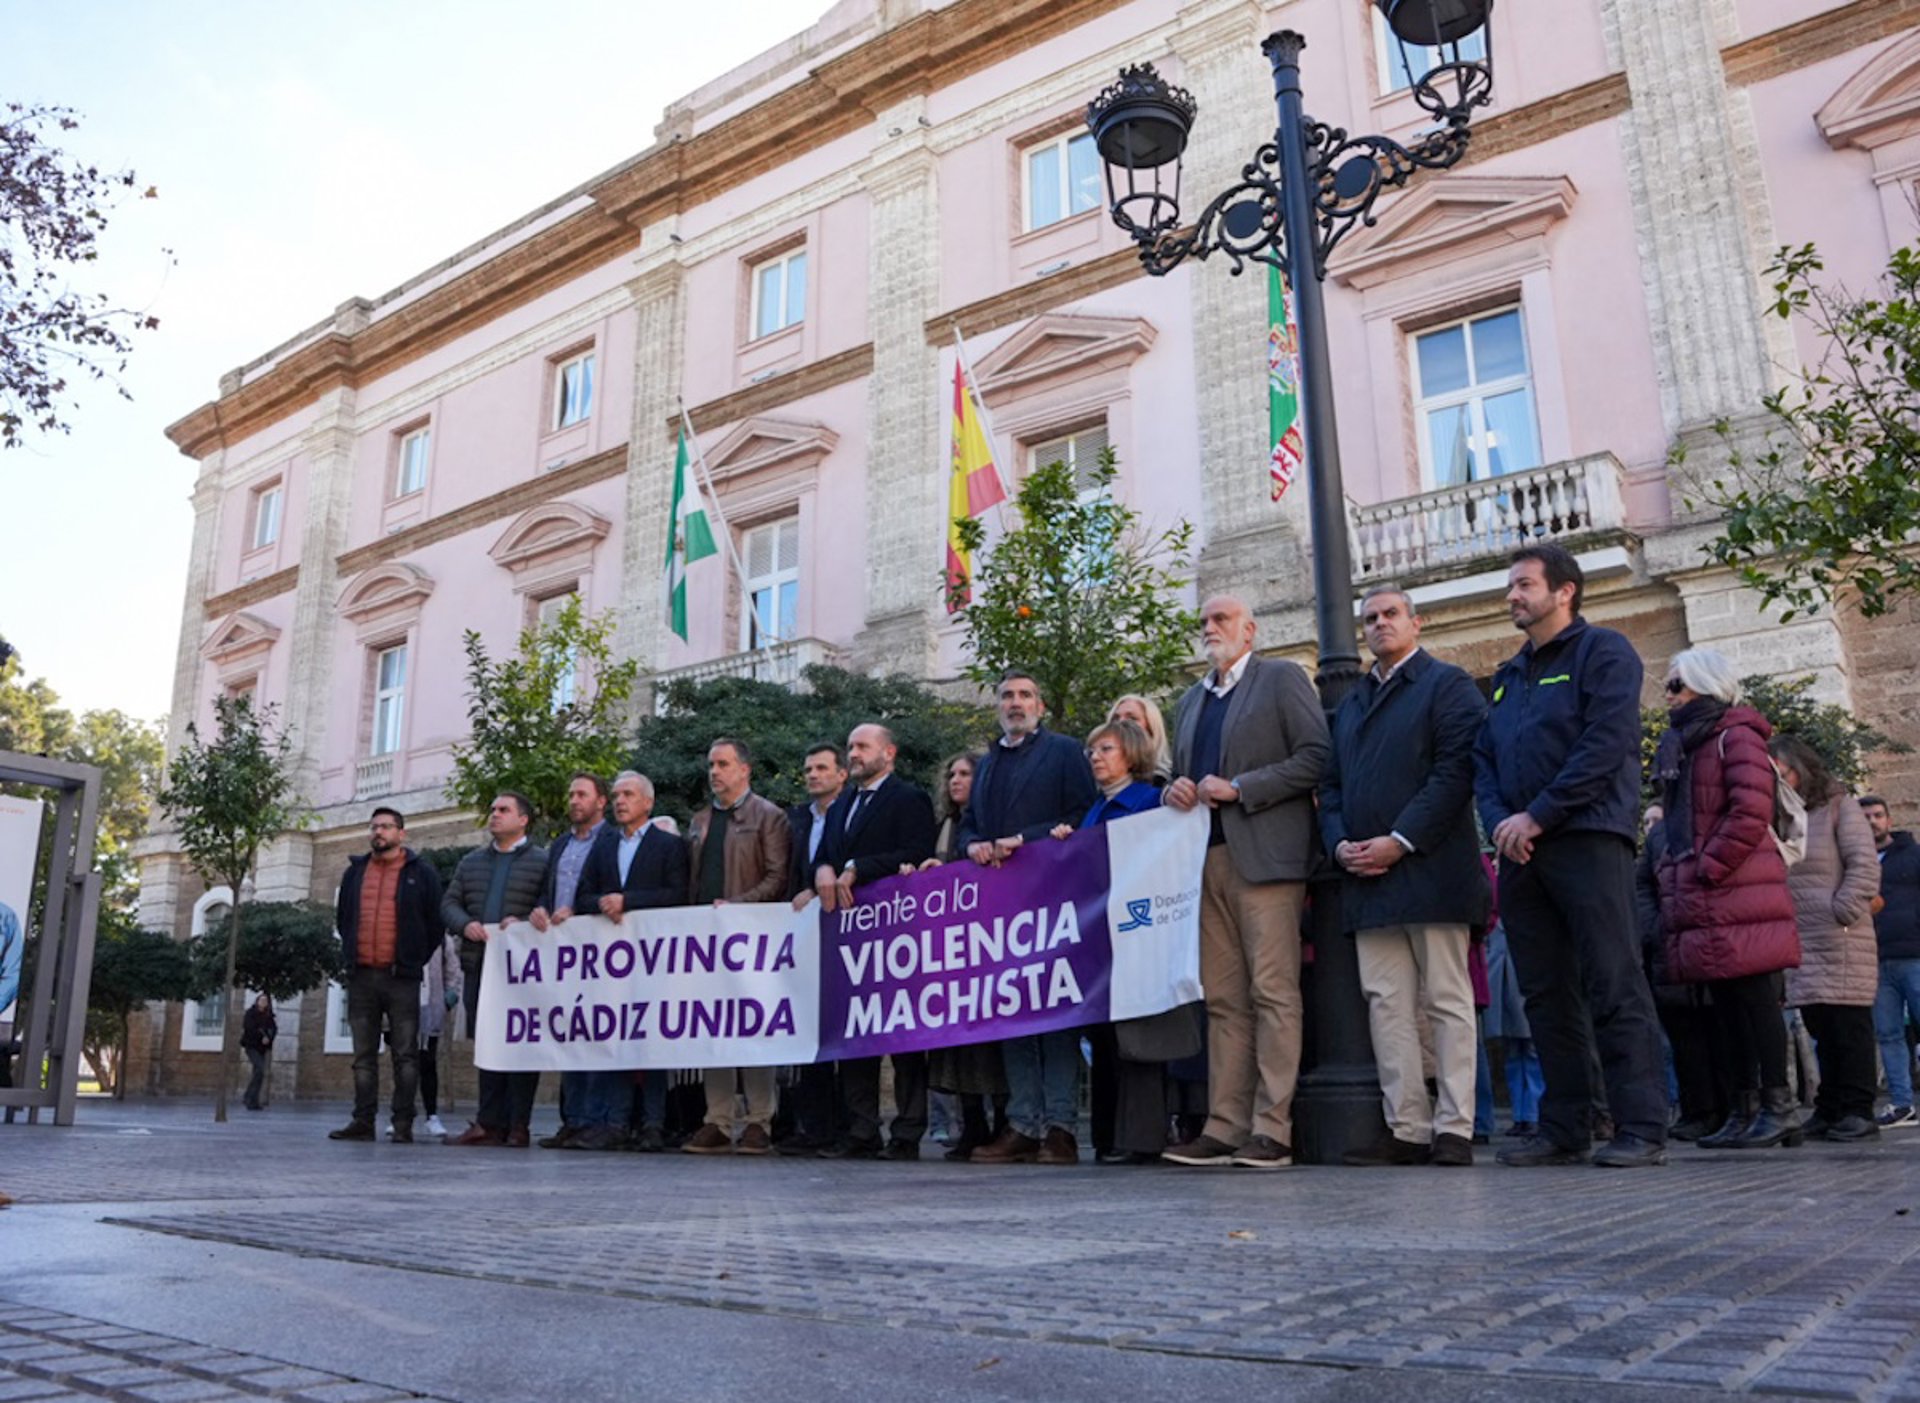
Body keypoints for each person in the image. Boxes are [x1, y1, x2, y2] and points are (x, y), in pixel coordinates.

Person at [1473, 543, 1669, 1168]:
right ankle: (1565, 1124)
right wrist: (1504, 820)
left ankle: (1640, 1125)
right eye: (1511, 586)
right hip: (1520, 853)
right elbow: (1483, 763)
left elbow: (1606, 744)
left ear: (1565, 592)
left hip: (1586, 839)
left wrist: (1541, 813)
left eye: (1525, 584)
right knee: (1545, 993)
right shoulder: (1506, 678)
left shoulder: (1603, 652)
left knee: (1613, 980)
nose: (1512, 596)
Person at [1321, 587, 1488, 1168]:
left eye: (1390, 614)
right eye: (1368, 618)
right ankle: (1408, 1129)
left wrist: (1400, 841)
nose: (1378, 625)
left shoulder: (1449, 686)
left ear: (1416, 622)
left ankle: (1455, 1129)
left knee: (1446, 1001)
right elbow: (1333, 788)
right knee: (1385, 1004)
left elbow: (1454, 774)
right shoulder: (1353, 704)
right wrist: (1340, 843)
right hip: (1366, 876)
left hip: (1432, 869)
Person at [1162, 596, 1330, 1170]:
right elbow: (1179, 775)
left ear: (1250, 630)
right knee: (1225, 1002)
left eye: (1221, 620)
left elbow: (1316, 757)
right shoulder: (1189, 701)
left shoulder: (1280, 678)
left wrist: (1242, 786)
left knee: (1274, 994)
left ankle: (1273, 1128)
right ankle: (1225, 1125)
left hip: (1267, 862)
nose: (1210, 629)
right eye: (1205, 622)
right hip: (1205, 864)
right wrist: (1174, 790)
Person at [1653, 648, 1801, 1150]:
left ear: (1705, 685)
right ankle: (1745, 1109)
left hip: (1738, 891)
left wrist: (1706, 867)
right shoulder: (1688, 744)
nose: (1668, 695)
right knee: (1729, 1009)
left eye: (1676, 685)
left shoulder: (1734, 736)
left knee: (1757, 1004)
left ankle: (1778, 1108)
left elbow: (1749, 812)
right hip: (1712, 897)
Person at [960, 673, 1098, 1165]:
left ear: (1040, 705)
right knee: (1012, 1010)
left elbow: (1085, 814)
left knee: (1057, 1011)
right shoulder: (989, 761)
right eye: (1006, 696)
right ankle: (1021, 1123)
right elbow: (971, 825)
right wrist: (971, 844)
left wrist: (1026, 838)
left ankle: (1059, 1127)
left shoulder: (1064, 752)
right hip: (1003, 907)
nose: (1015, 704)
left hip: (1054, 899)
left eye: (1024, 696)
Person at [805, 723, 938, 1158]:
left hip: (898, 934)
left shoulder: (910, 798)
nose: (854, 753)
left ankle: (907, 1132)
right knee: (856, 1035)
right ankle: (862, 1131)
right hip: (851, 938)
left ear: (889, 752)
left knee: (903, 1040)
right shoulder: (842, 804)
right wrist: (823, 869)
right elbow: (825, 855)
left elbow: (917, 851)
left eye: (862, 746)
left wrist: (860, 866)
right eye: (851, 746)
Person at [1055, 718, 1175, 1163]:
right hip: (1102, 940)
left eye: (1106, 749)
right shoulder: (1094, 809)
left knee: (1138, 1040)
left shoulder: (1148, 801)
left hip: (1138, 934)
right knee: (1107, 1040)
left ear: (1131, 753)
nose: (1096, 758)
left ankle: (1140, 1138)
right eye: (1093, 752)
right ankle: (1109, 1136)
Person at [683, 739, 792, 1156]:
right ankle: (717, 1120)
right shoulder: (700, 820)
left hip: (751, 939)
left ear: (744, 769)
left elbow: (777, 877)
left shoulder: (768, 816)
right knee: (715, 1028)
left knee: (753, 1028)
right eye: (711, 764)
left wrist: (737, 908)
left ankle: (760, 1121)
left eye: (724, 764)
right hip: (706, 943)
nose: (715, 772)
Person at [572, 771, 690, 1149]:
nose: (621, 801)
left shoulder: (668, 846)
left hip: (654, 961)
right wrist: (604, 903)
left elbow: (677, 894)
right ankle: (617, 1123)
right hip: (612, 962)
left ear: (648, 803)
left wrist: (629, 902)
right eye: (617, 794)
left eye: (629, 795)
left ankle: (653, 1122)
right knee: (619, 1039)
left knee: (651, 1041)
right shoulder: (603, 846)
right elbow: (583, 896)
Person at [1771, 736, 1881, 1141]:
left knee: (1848, 1024)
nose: (1779, 776)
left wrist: (1844, 909)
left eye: (1783, 767)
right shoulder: (1785, 815)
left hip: (1840, 932)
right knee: (1820, 1024)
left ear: (1801, 765)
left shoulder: (1839, 806)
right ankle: (1830, 1106)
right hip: (1802, 936)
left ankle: (1857, 1109)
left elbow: (1864, 864)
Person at [329, 807, 445, 1143]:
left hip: (401, 979)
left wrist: (412, 959)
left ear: (401, 833)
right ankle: (363, 1121)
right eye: (374, 826)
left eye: (386, 826)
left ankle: (403, 1123)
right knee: (363, 1056)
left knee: (405, 1055)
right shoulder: (355, 873)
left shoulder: (421, 873)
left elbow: (434, 924)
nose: (378, 832)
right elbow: (343, 919)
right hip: (362, 975)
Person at [441, 793, 549, 1148]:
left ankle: (519, 1124)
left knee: (522, 1043)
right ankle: (489, 1122)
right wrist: (465, 923)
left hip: (523, 970)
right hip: (480, 966)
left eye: (504, 810)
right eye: (493, 810)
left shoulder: (541, 861)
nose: (495, 815)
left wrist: (524, 921)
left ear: (524, 820)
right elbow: (450, 903)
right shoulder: (471, 862)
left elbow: (548, 903)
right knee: (487, 1042)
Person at [922, 750, 1008, 1161]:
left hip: (989, 950)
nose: (956, 780)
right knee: (956, 1046)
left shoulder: (991, 827)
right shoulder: (944, 827)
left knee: (990, 1045)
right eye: (951, 773)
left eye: (966, 773)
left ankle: (1006, 1123)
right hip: (951, 956)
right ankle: (971, 1124)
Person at [531, 772, 618, 1149]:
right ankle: (573, 1119)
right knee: (570, 1034)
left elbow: (606, 890)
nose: (573, 800)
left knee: (597, 1035)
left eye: (581, 794)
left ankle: (596, 1120)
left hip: (601, 950)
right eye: (570, 794)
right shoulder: (561, 844)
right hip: (565, 954)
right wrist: (540, 909)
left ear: (601, 801)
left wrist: (578, 910)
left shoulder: (614, 840)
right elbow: (547, 890)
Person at [1633, 803, 1724, 1141]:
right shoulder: (1659, 839)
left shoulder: (1715, 824)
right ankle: (1697, 1110)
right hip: (1669, 951)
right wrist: (1658, 929)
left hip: (1711, 946)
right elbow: (1643, 888)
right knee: (1685, 1040)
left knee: (1720, 1034)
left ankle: (1726, 1108)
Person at [779, 743, 849, 1155]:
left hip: (846, 933)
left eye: (822, 768)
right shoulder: (799, 819)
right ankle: (811, 1126)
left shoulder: (850, 812)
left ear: (841, 774)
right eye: (808, 769)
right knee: (807, 1033)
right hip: (806, 935)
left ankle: (840, 1126)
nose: (813, 775)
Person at [1861, 793, 1920, 1127]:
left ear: (1889, 820)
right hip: (1875, 960)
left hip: (1914, 955)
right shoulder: (1853, 861)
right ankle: (1901, 1103)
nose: (1872, 822)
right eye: (1866, 817)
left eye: (1877, 815)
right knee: (1888, 1034)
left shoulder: (1913, 856)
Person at [413, 929, 462, 1140]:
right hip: (405, 1007)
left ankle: (431, 1115)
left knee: (428, 1062)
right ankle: (403, 1113)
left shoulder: (442, 939)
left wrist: (449, 997)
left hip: (432, 1009)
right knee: (404, 1063)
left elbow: (453, 971)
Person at [1106, 694, 1174, 785]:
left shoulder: (1164, 784)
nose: (1120, 723)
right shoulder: (1101, 775)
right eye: (1116, 718)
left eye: (1132, 718)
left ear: (1151, 729)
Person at [240, 994, 276, 1112]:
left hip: (263, 1048)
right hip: (251, 1046)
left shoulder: (269, 1015)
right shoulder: (250, 1013)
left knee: (258, 1073)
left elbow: (273, 1029)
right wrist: (261, 1036)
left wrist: (268, 1037)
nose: (263, 1002)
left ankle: (253, 1101)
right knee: (260, 1069)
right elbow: (249, 1028)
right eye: (262, 1000)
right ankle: (248, 1096)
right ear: (257, 1001)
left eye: (266, 1000)